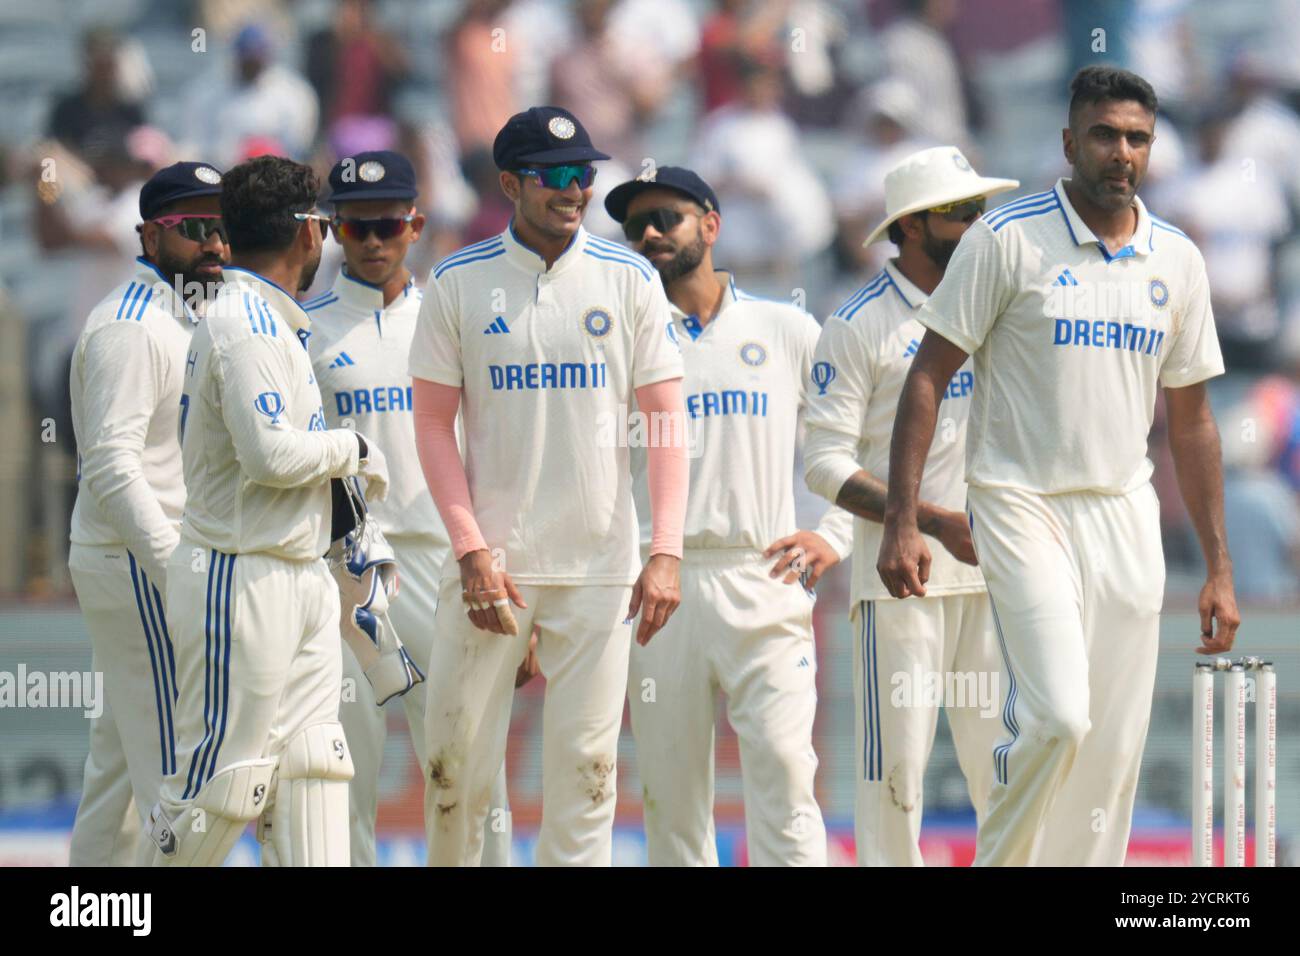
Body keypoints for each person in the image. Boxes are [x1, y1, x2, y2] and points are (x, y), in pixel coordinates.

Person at [876, 66, 1241, 866]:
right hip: (1019, 501)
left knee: (1109, 754)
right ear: (1070, 141)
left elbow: (1192, 421)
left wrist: (1218, 567)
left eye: (1137, 138)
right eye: (1105, 135)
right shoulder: (1007, 239)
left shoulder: (1176, 259)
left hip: (1124, 512)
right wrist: (901, 519)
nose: (1122, 153)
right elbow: (928, 375)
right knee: (1058, 719)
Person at [409, 106, 688, 866]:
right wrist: (469, 548)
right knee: (452, 775)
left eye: (585, 176)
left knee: (587, 782)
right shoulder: (459, 282)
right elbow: (432, 425)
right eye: (556, 177)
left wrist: (664, 551)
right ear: (509, 184)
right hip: (491, 570)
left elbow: (665, 418)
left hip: (600, 569)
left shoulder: (629, 277)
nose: (575, 191)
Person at [604, 166, 853, 866]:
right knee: (672, 795)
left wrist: (834, 534)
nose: (649, 233)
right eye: (636, 226)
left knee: (784, 770)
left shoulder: (784, 327)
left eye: (667, 218)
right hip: (659, 587)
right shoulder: (626, 343)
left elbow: (854, 438)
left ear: (711, 225)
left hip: (761, 572)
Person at [145, 156, 390, 866]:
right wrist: (357, 449)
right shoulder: (244, 324)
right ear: (309, 235)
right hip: (238, 574)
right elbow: (270, 458)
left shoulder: (271, 321)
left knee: (315, 767)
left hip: (296, 573)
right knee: (223, 788)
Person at [803, 146, 1017, 865]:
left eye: (983, 211)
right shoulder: (859, 323)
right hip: (904, 582)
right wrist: (929, 520)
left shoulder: (998, 307)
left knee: (1008, 773)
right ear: (916, 226)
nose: (981, 226)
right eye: (964, 214)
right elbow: (825, 462)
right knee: (893, 781)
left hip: (997, 576)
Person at [304, 150, 513, 866]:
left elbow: (491, 452)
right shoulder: (304, 329)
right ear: (332, 229)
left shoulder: (455, 318)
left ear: (416, 224)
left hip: (439, 558)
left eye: (387, 223)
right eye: (356, 226)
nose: (371, 240)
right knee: (339, 770)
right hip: (341, 569)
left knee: (466, 767)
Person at [67, 162, 229, 866]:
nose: (214, 245)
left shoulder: (191, 316)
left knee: (116, 778)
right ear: (148, 237)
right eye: (193, 230)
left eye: (222, 228)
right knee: (177, 770)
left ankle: (90, 910)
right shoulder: (130, 328)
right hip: (137, 564)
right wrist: (178, 570)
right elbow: (110, 466)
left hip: (147, 562)